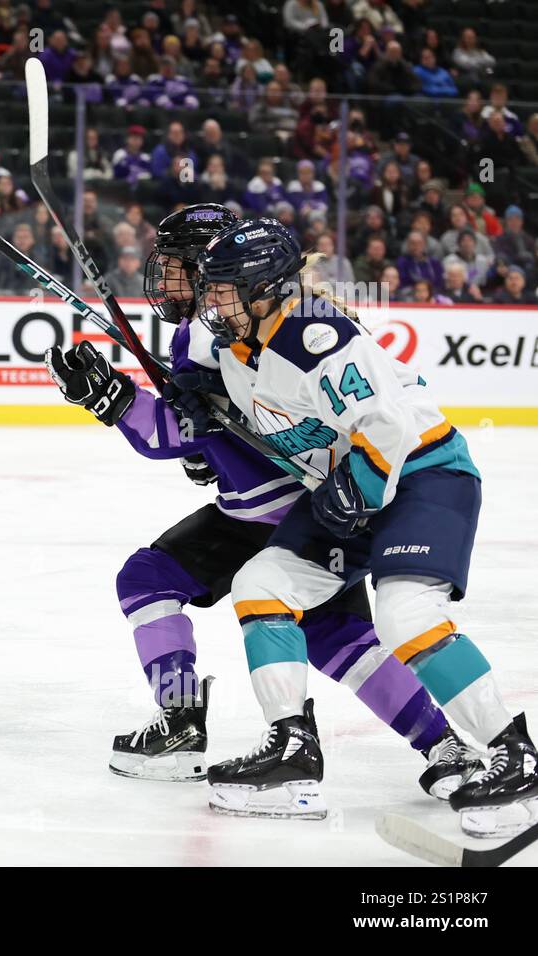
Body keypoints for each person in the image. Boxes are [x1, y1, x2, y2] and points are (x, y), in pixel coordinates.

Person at [45, 201, 475, 796]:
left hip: (276, 510)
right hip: (291, 502)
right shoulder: (235, 323)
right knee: (336, 639)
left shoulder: (215, 335)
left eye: (174, 268)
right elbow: (204, 437)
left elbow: (179, 434)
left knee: (155, 582)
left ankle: (188, 724)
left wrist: (113, 400)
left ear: (209, 273)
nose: (164, 283)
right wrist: (172, 428)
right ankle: (445, 748)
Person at [171, 216, 535, 833]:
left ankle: (513, 753)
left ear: (263, 289)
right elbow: (247, 416)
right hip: (350, 490)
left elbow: (388, 428)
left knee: (404, 615)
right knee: (262, 584)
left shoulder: (315, 334)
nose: (211, 298)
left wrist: (358, 490)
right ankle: (292, 747)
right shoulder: (240, 351)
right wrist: (188, 405)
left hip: (424, 474)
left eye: (224, 287)